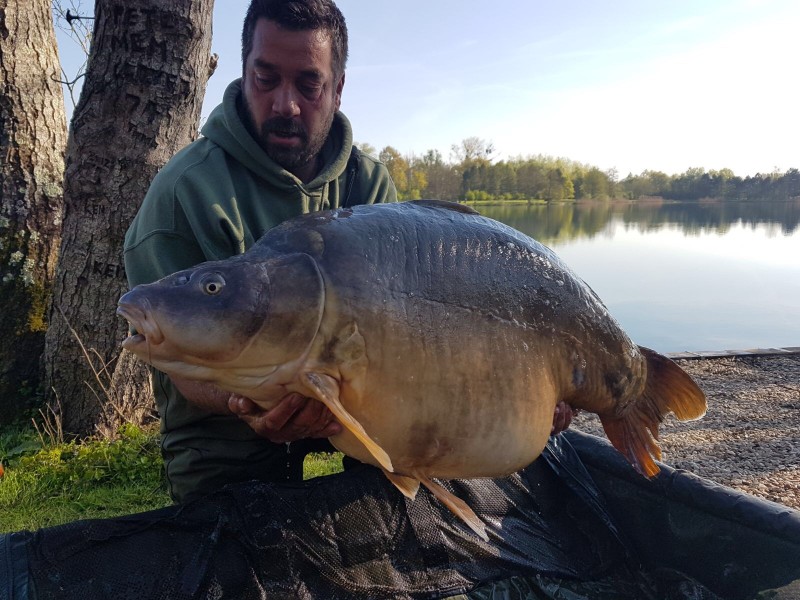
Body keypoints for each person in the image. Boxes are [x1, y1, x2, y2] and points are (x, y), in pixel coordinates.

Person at [124, 0, 575, 505]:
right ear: (244, 71)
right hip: (222, 431)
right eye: (266, 79)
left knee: (406, 497)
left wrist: (525, 395)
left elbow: (418, 330)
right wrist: (245, 398)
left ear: (337, 89)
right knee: (237, 548)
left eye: (308, 84)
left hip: (358, 404)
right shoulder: (181, 194)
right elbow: (181, 365)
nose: (285, 105)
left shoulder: (369, 182)